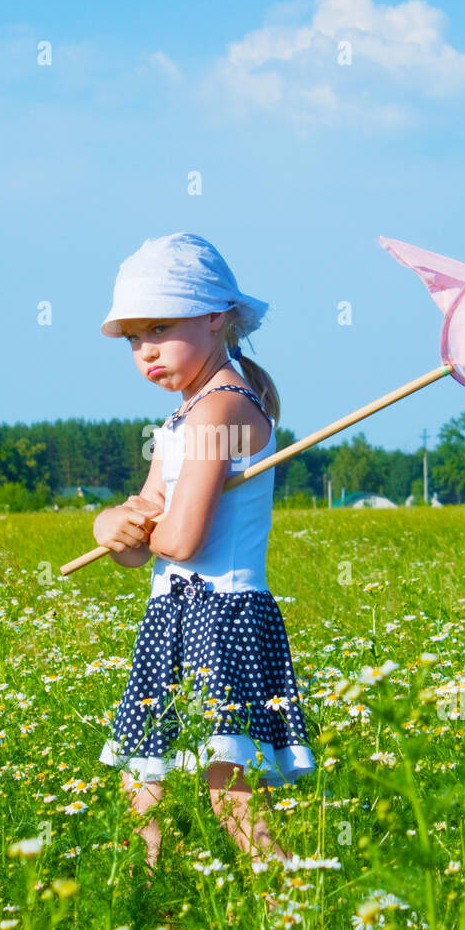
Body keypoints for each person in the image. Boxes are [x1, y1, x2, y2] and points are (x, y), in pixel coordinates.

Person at [92, 233, 316, 885]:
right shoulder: (183, 415)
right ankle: (143, 905)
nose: (146, 351)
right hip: (176, 617)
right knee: (145, 779)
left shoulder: (220, 409)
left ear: (215, 316)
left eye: (160, 327)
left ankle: (288, 904)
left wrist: (140, 525)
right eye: (133, 338)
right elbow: (138, 549)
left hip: (221, 617)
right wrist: (111, 523)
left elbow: (180, 541)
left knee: (228, 787)